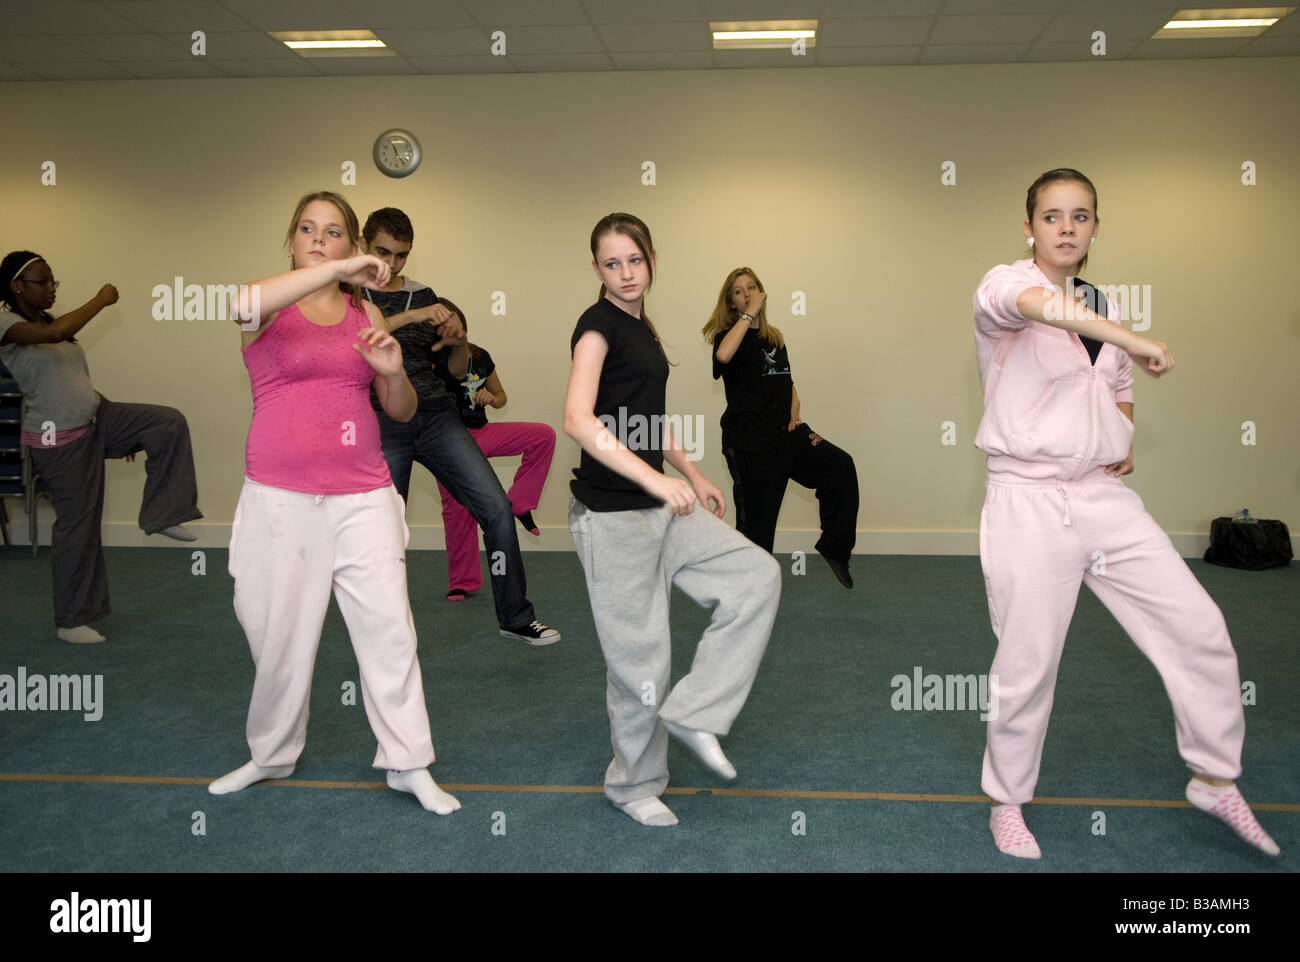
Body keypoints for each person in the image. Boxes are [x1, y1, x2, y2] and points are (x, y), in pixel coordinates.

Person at [972, 168, 1277, 858]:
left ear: (1096, 227)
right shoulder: (1001, 286)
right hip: (1027, 499)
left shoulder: (1099, 305)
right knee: (1028, 661)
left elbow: (1116, 384)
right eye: (1051, 216)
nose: (1066, 228)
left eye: (1081, 216)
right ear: (1029, 227)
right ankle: (1007, 801)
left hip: (1101, 498)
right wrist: (1135, 336)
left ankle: (1213, 775)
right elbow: (1042, 307)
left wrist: (1121, 435)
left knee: (1197, 625)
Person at [209, 191, 458, 815]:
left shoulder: (363, 312)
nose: (320, 239)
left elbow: (398, 409)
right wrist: (334, 272)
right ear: (292, 241)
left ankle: (408, 762)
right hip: (278, 496)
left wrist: (394, 370)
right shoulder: (263, 308)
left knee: (389, 631)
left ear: (351, 245)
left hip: (362, 494)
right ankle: (271, 753)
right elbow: (237, 303)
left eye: (334, 232)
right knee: (275, 633)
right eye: (308, 229)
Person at [564, 213, 781, 828]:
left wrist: (689, 472)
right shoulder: (596, 328)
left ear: (651, 258)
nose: (625, 273)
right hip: (612, 519)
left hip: (662, 506)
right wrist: (655, 479)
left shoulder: (642, 326)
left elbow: (646, 420)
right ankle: (633, 785)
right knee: (641, 664)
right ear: (598, 269)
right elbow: (578, 418)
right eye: (611, 264)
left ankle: (696, 711)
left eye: (634, 260)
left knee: (756, 576)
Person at [360, 207, 559, 644]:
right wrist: (412, 317)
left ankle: (515, 617)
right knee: (384, 529)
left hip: (436, 417)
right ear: (362, 245)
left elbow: (452, 371)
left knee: (497, 510)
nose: (391, 265)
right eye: (382, 252)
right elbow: (358, 342)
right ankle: (383, 632)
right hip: (380, 421)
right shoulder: (346, 293)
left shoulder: (425, 293)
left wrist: (458, 342)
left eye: (401, 256)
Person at [0, 251, 201, 644]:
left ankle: (162, 514)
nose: (52, 288)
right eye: (44, 282)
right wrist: (101, 299)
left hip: (97, 417)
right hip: (56, 438)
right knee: (79, 526)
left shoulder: (47, 323)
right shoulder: (8, 324)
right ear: (17, 285)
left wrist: (123, 433)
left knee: (167, 422)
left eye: (54, 280)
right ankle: (71, 620)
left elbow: (67, 377)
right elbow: (55, 335)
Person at [702, 268, 858, 588]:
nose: (746, 293)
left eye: (752, 287)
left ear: (762, 291)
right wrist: (749, 315)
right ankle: (746, 591)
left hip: (786, 436)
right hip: (750, 443)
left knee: (840, 467)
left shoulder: (774, 338)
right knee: (758, 529)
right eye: (738, 291)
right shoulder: (729, 337)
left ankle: (834, 547)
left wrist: (795, 397)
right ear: (731, 303)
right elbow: (723, 355)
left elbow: (781, 375)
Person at [430, 300, 556, 601]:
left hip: (482, 433)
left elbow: (502, 397)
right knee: (457, 508)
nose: (451, 330)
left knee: (543, 436)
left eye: (455, 324)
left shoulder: (479, 355)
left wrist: (490, 397)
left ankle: (520, 503)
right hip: (449, 442)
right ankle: (462, 582)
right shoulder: (430, 361)